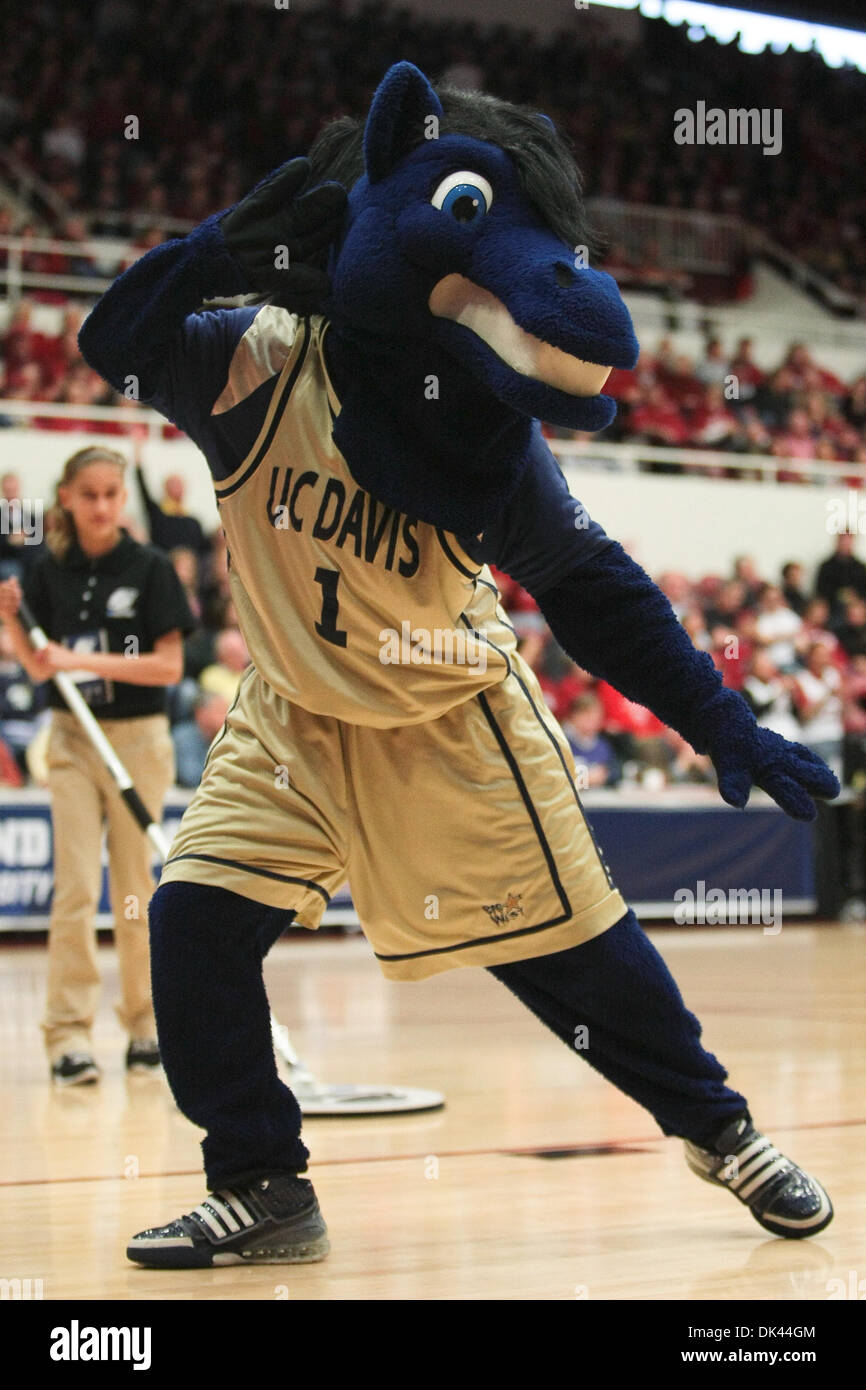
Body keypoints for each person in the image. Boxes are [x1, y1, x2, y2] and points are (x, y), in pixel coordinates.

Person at [78, 64, 837, 1267]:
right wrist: (227, 243)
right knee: (191, 921)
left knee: (571, 962)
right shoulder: (255, 363)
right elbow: (109, 340)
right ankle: (261, 1182)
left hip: (446, 715)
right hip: (288, 718)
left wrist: (716, 719)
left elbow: (595, 591)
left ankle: (718, 1125)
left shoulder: (480, 432)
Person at [0, 445, 195, 1086]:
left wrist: (77, 661)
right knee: (77, 888)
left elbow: (167, 668)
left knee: (137, 892)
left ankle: (144, 1028)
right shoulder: (46, 571)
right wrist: (13, 628)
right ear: (66, 498)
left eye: (113, 494)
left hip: (138, 742)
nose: (103, 506)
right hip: (72, 743)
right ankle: (68, 1037)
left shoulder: (150, 568)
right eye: (90, 495)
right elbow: (38, 666)